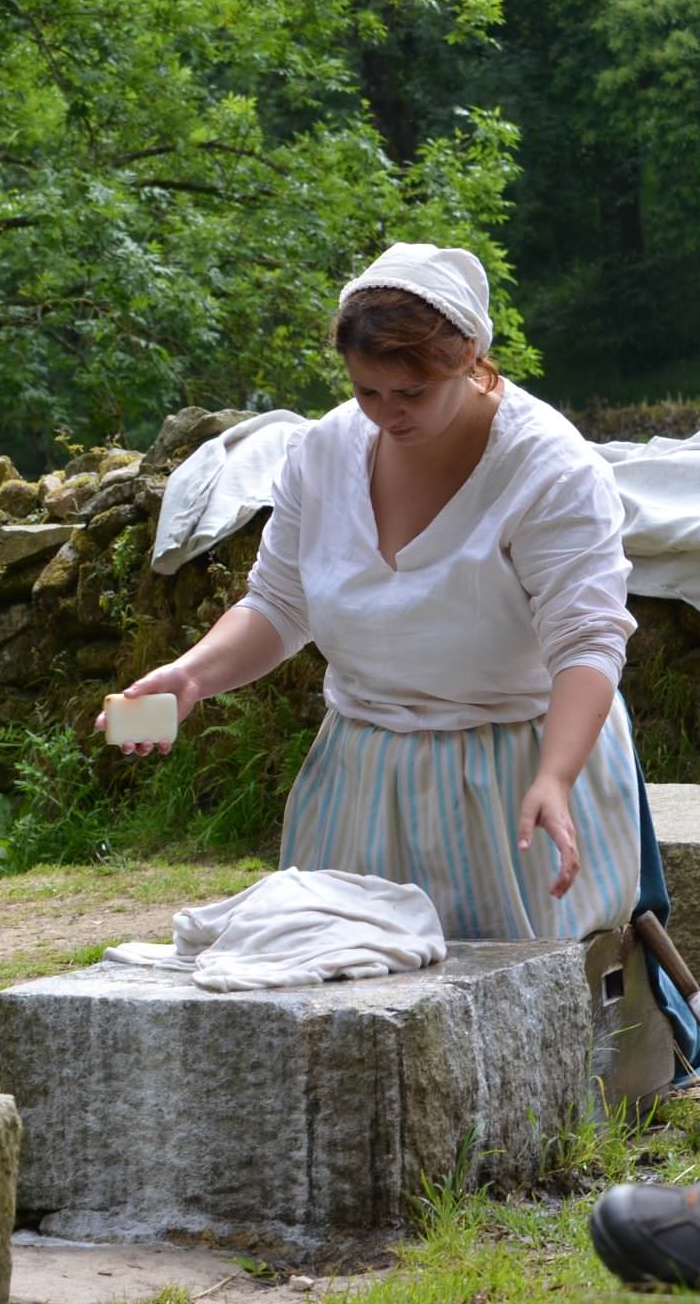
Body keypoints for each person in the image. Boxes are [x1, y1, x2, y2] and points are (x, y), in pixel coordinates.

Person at [99, 243, 643, 943]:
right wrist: (192, 675)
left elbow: (588, 641)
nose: (388, 413)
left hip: (509, 782)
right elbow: (279, 603)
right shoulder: (324, 453)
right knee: (334, 998)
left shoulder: (550, 470)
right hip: (361, 782)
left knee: (499, 1006)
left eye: (412, 393)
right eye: (368, 392)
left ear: (472, 354)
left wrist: (556, 777)